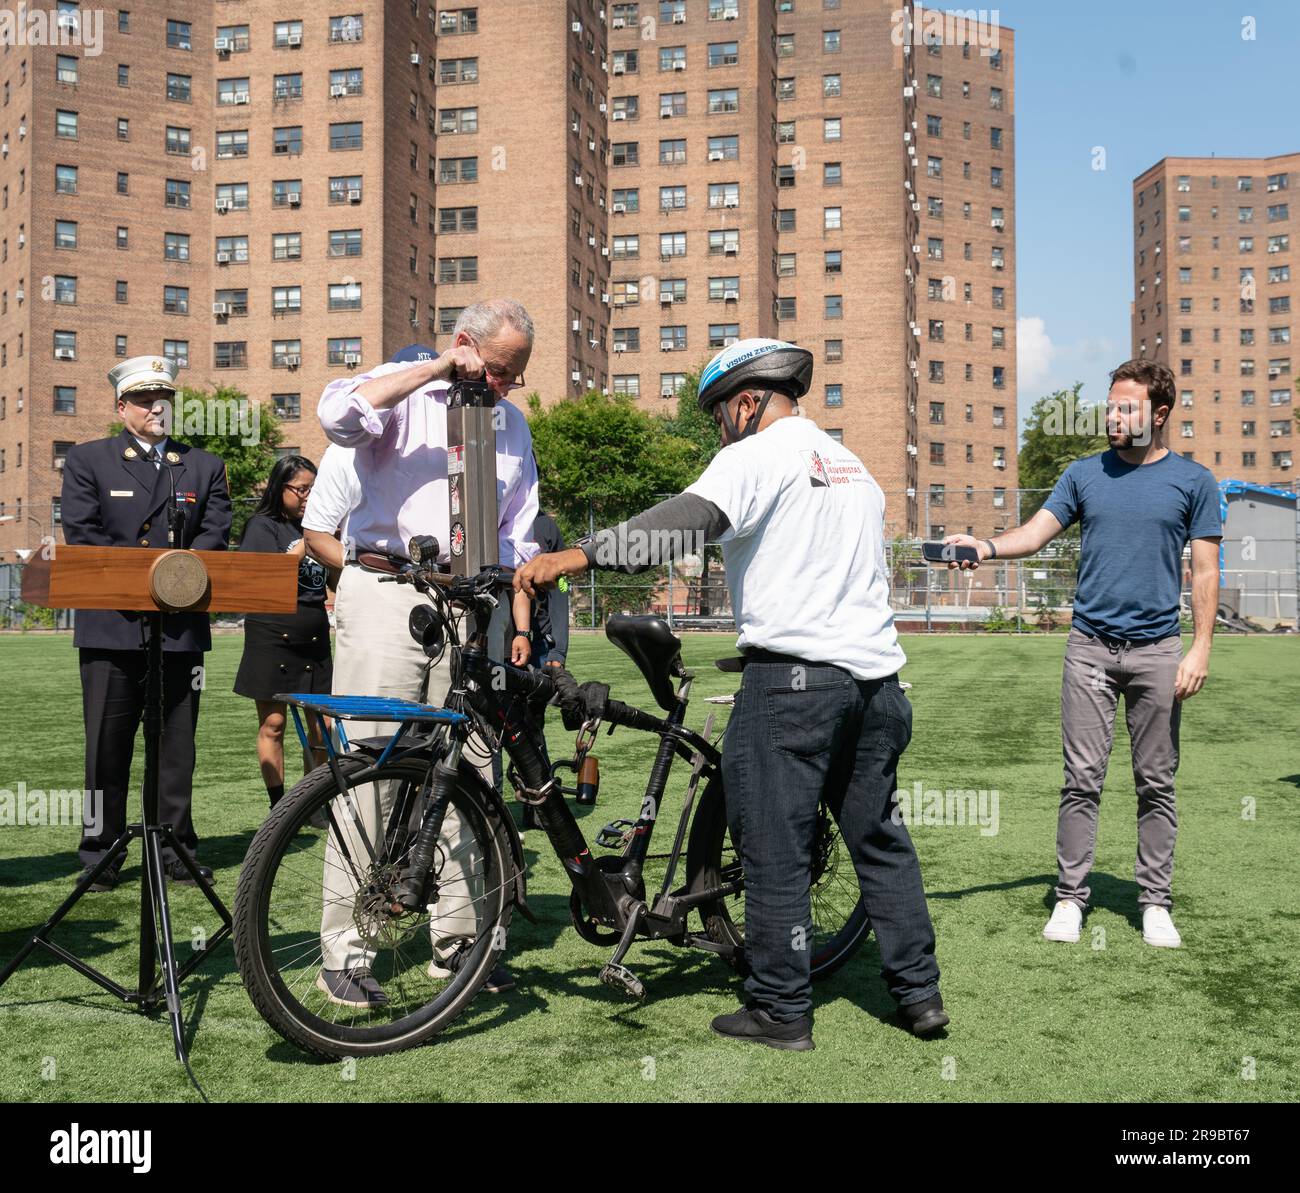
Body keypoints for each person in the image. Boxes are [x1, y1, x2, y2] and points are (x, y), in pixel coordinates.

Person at [516, 338, 946, 1050]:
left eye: (720, 414)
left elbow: (681, 523)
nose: (720, 428)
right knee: (879, 839)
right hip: (876, 684)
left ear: (746, 403)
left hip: (793, 682)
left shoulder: (754, 455)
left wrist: (577, 555)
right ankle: (920, 995)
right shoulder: (854, 468)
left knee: (774, 844)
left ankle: (781, 1008)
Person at [942, 358, 1221, 949]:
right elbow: (1035, 532)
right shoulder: (1082, 475)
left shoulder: (1194, 482)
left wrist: (1199, 648)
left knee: (1157, 782)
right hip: (1090, 650)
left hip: (1158, 652)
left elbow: (1204, 569)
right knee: (1081, 780)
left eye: (1127, 406)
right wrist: (986, 545)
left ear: (1160, 413)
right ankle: (1070, 898)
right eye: (1110, 404)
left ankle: (1154, 902)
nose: (1113, 416)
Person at [313, 301, 540, 1008]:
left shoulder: (512, 425)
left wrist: (508, 603)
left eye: (515, 377)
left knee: (472, 771)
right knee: (372, 767)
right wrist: (437, 369)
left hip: (467, 603)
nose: (503, 386)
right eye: (498, 369)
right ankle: (344, 953)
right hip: (385, 589)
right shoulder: (406, 392)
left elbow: (521, 528)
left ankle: (462, 944)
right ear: (468, 345)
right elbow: (338, 416)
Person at [59, 356, 232, 890]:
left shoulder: (202, 466)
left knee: (176, 748)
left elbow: (213, 534)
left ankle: (175, 848)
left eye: (165, 398)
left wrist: (175, 584)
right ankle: (100, 853)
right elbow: (84, 536)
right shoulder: (90, 460)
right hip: (112, 626)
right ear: (121, 407)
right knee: (104, 750)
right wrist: (149, 582)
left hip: (178, 630)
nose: (157, 407)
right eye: (144, 399)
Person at [233, 455, 332, 810]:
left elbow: (333, 578)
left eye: (313, 489)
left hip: (315, 636)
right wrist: (300, 551)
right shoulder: (262, 526)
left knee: (322, 727)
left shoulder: (319, 527)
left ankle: (313, 802)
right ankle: (280, 806)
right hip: (272, 633)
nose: (308, 496)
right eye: (302, 489)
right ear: (281, 488)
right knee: (274, 724)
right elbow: (258, 580)